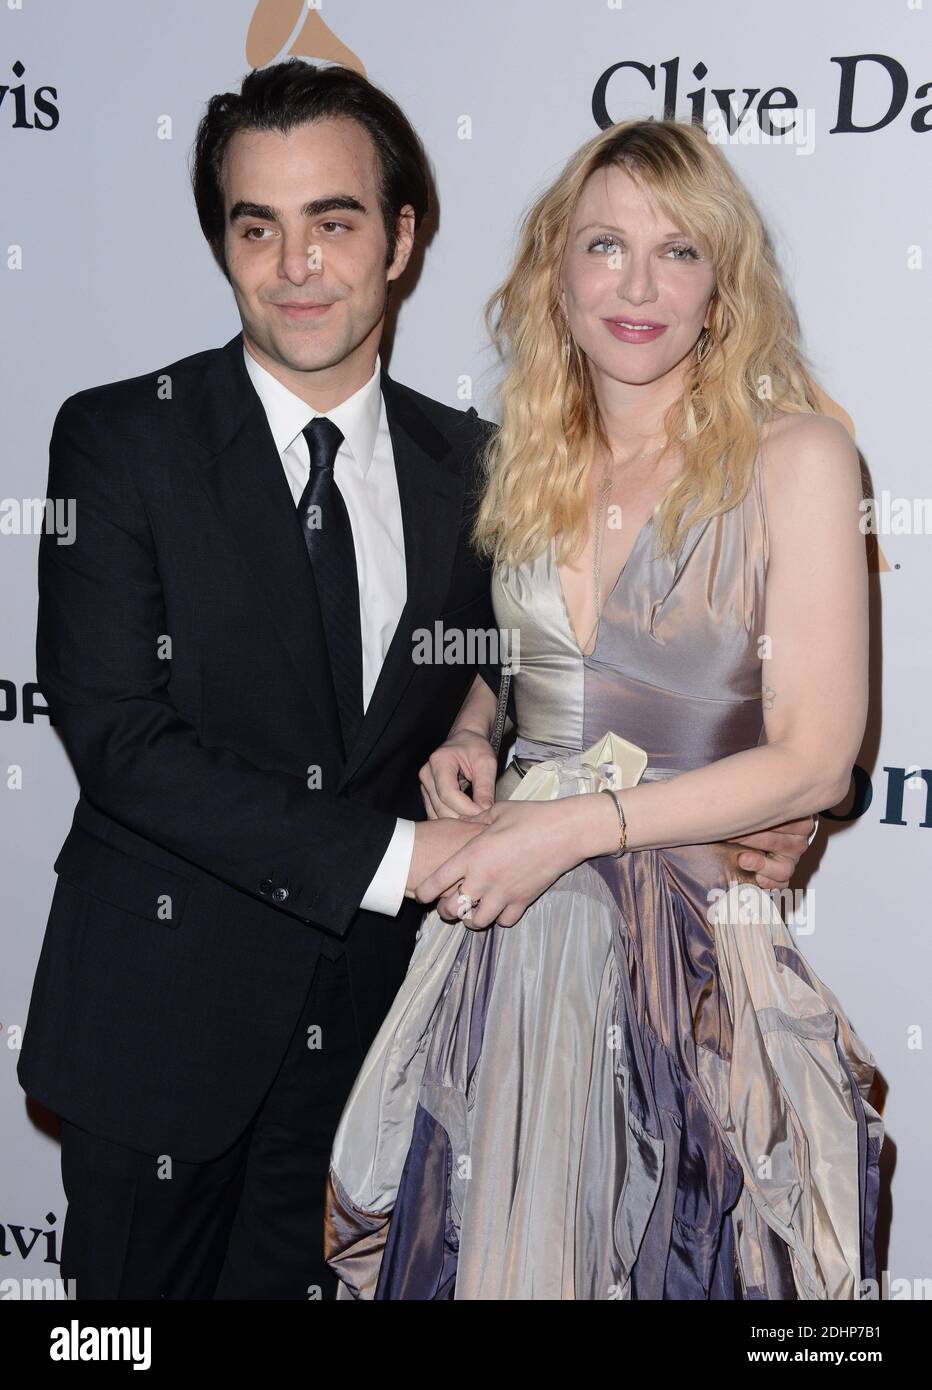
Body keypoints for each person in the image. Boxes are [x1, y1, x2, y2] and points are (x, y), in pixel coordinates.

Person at [324, 117, 883, 1300]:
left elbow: (819, 758)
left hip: (677, 952)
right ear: (553, 275)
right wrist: (477, 729)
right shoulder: (526, 458)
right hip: (506, 935)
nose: (636, 284)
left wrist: (569, 827)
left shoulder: (797, 458)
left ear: (719, 286)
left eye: (677, 252)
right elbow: (535, 657)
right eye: (603, 246)